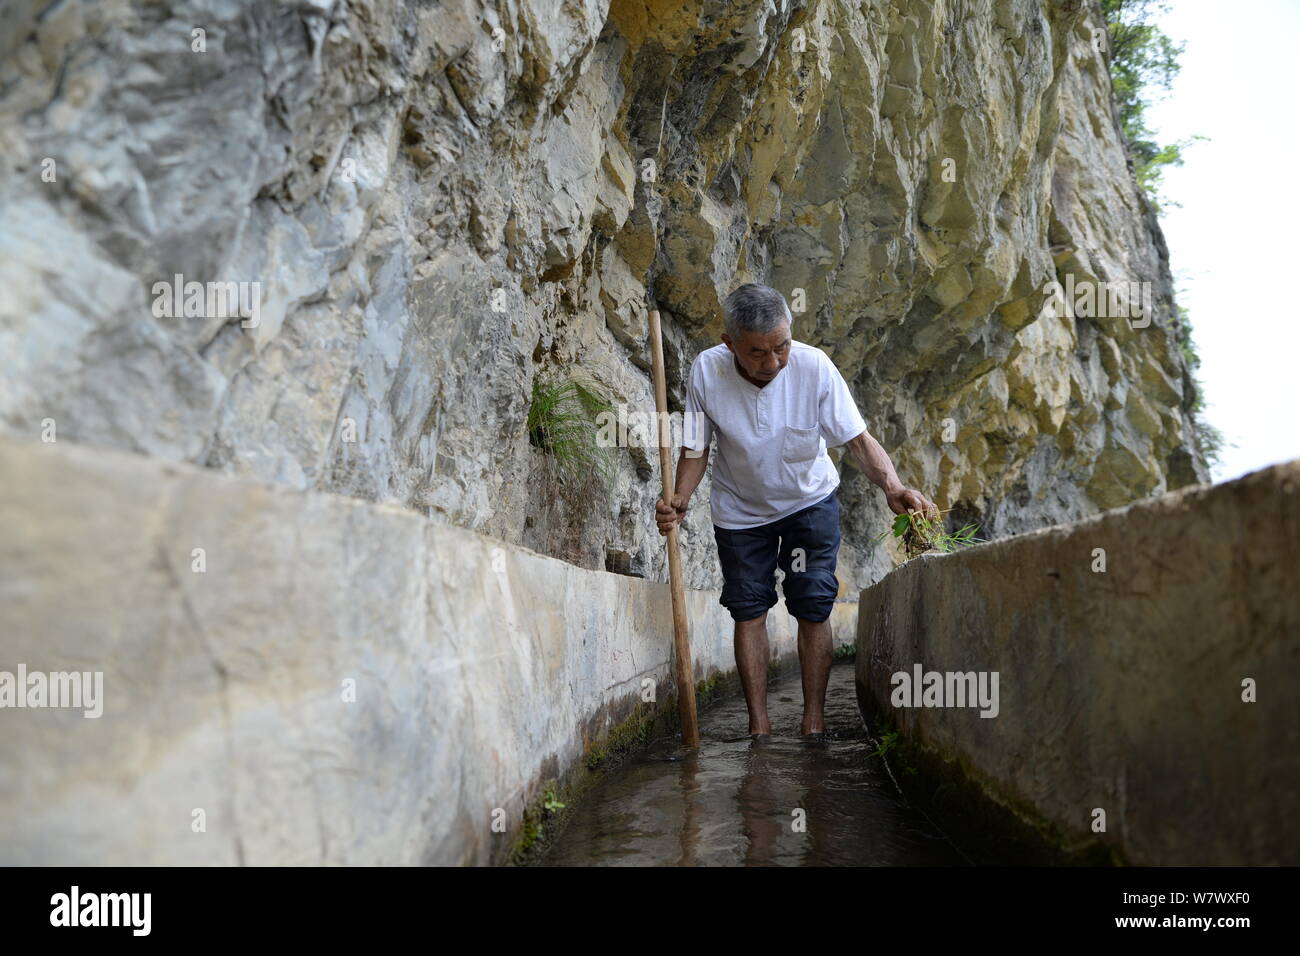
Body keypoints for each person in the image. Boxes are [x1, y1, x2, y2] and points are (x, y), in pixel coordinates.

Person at [655, 283, 937, 737]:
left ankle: (814, 722)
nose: (773, 363)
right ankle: (759, 728)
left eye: (781, 346)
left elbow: (857, 440)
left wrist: (893, 486)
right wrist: (680, 499)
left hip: (809, 502)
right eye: (758, 353)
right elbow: (695, 448)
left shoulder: (814, 367)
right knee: (747, 608)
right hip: (741, 512)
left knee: (812, 602)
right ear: (729, 345)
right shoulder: (707, 371)